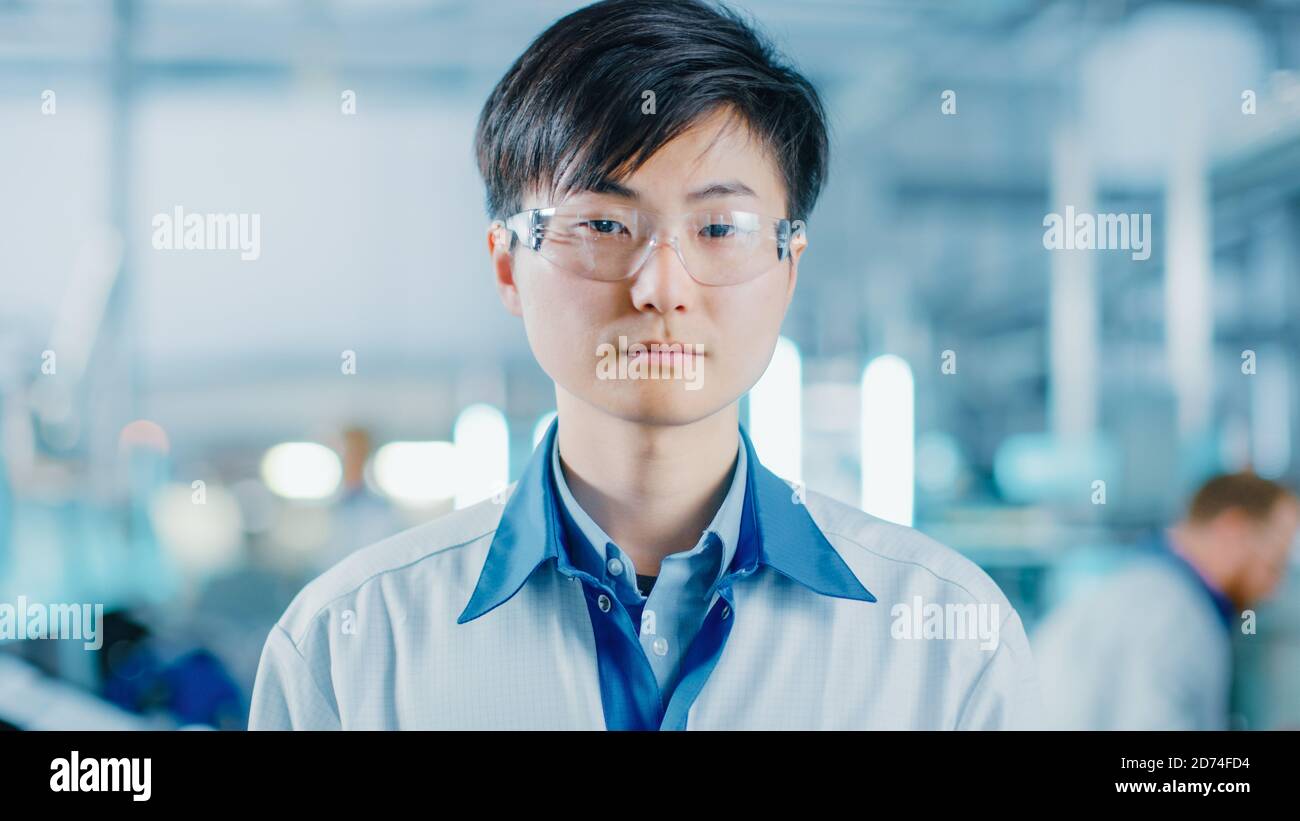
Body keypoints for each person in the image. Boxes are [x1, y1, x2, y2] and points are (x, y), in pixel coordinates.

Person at [248, 0, 1040, 730]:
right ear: (507, 265)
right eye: (602, 224)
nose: (662, 285)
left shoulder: (946, 644)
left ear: (788, 268)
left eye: (718, 229)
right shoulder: (349, 648)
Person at [1033, 472, 1299, 730]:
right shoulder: (1171, 614)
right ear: (1233, 529)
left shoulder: (1145, 591)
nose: (1273, 590)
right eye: (1275, 565)